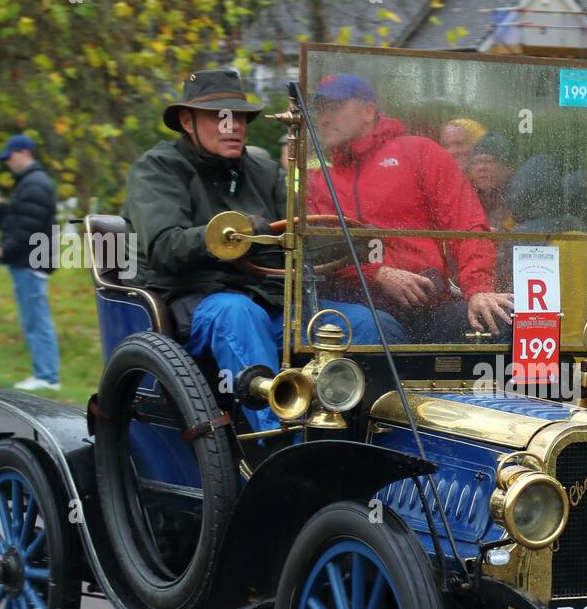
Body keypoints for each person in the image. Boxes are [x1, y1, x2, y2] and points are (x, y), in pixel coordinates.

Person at [125, 68, 401, 434]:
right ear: (187, 121)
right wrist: (235, 233)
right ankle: (275, 445)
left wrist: (345, 241)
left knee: (370, 323)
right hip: (196, 303)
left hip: (269, 303)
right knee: (238, 313)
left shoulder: (263, 171)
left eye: (239, 117)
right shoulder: (157, 170)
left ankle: (370, 436)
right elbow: (165, 247)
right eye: (219, 117)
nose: (233, 126)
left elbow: (297, 237)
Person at [304, 74, 513, 341]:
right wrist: (377, 273)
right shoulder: (320, 180)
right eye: (321, 109)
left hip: (429, 306)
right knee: (375, 328)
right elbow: (319, 254)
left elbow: (467, 224)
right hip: (356, 309)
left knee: (501, 322)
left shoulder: (418, 153)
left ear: (368, 111)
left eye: (334, 107)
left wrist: (479, 290)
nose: (323, 119)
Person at [0, 135, 61, 390]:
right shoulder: (29, 183)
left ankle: (47, 377)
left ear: (24, 152)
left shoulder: (34, 184)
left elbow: (27, 228)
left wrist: (3, 250)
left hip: (31, 261)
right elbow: (16, 220)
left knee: (36, 320)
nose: (7, 162)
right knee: (34, 318)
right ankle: (45, 374)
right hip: (29, 260)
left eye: (9, 156)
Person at [467, 134, 516, 231]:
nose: (481, 167)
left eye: (489, 161)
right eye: (475, 162)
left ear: (507, 168)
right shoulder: (467, 199)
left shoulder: (517, 199)